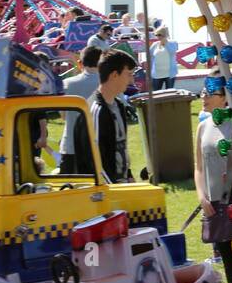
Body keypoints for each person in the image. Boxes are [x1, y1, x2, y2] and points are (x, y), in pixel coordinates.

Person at [195, 86, 232, 283]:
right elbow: (198, 167)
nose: (203, 97)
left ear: (225, 97)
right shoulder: (203, 126)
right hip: (214, 206)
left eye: (209, 93)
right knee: (229, 265)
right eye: (202, 92)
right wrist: (202, 197)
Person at [73, 50, 136, 183]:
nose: (131, 80)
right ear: (114, 75)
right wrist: (112, 189)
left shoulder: (118, 105)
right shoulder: (96, 110)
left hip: (119, 185)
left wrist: (128, 175)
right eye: (128, 74)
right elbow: (95, 161)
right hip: (106, 191)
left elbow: (120, 146)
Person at [58, 46, 102, 173]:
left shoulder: (67, 84)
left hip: (70, 145)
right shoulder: (106, 83)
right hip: (97, 146)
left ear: (81, 63)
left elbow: (63, 116)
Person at [150, 27, 179, 91]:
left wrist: (165, 43)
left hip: (169, 74)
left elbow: (172, 52)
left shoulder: (172, 43)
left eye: (160, 35)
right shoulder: (155, 45)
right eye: (156, 35)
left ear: (165, 35)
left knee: (169, 93)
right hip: (157, 74)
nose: (158, 37)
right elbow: (149, 55)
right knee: (156, 94)